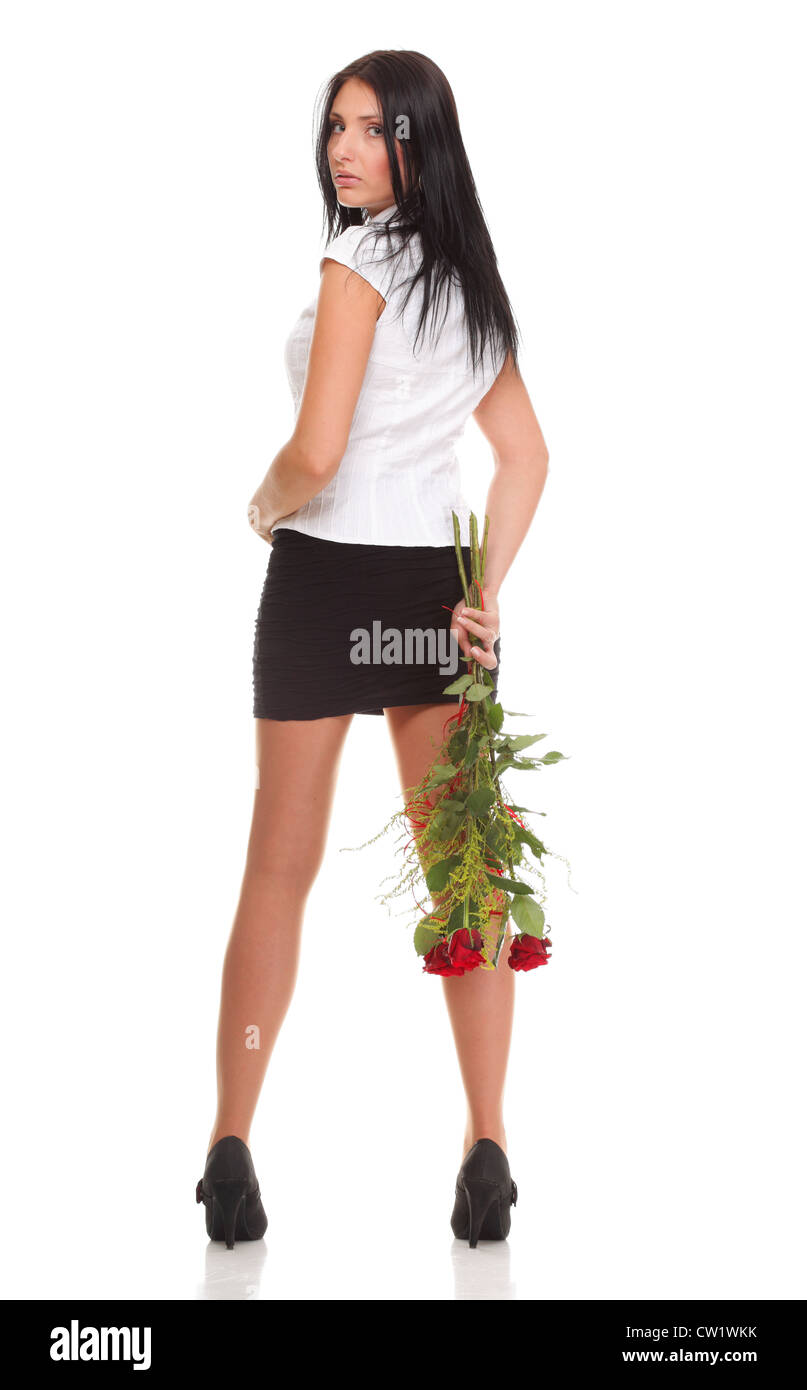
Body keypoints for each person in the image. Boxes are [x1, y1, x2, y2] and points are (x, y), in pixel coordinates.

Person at [195, 49, 549, 1251]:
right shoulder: (471, 281)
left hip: (324, 577)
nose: (344, 150)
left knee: (278, 867)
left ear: (417, 140)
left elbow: (317, 448)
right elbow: (527, 457)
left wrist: (258, 508)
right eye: (334, 127)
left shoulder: (355, 261)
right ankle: (488, 1138)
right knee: (467, 873)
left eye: (368, 129)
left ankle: (231, 1144)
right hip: (427, 594)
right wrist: (484, 593)